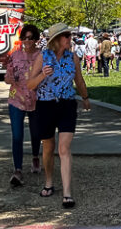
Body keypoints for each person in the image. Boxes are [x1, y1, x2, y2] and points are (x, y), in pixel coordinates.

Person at [27, 23, 89, 209]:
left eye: (70, 35)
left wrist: (85, 97)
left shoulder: (73, 57)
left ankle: (68, 193)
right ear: (57, 39)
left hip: (67, 105)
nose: (70, 39)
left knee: (64, 148)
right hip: (45, 105)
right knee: (48, 147)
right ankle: (48, 182)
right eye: (67, 36)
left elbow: (78, 79)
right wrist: (42, 76)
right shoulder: (43, 57)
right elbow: (30, 84)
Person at [4, 24, 43, 187]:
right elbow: (7, 77)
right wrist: (10, 79)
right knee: (17, 135)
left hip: (36, 100)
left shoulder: (41, 56)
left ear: (36, 40)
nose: (27, 41)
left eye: (30, 38)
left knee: (35, 134)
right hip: (16, 99)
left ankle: (35, 156)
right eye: (24, 38)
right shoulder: (15, 55)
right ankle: (18, 170)